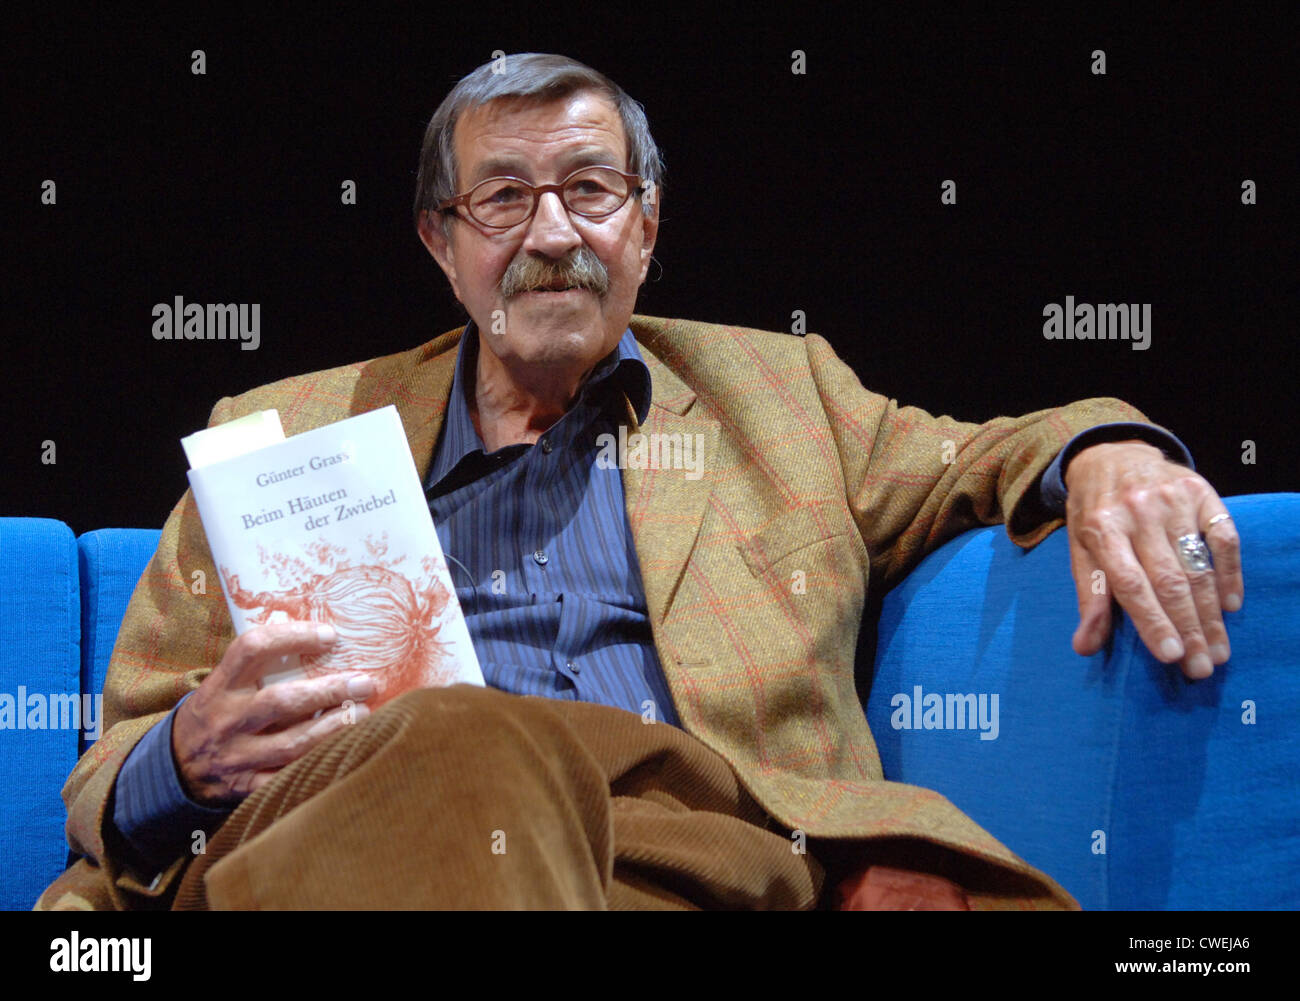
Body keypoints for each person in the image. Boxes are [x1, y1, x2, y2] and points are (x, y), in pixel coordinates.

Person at [37, 53, 1242, 911]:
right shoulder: (281, 434)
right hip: (334, 846)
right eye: (502, 197)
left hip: (684, 853)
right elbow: (117, 757)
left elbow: (976, 456)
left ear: (646, 226)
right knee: (457, 745)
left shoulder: (782, 394)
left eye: (590, 189)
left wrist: (1108, 450)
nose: (551, 232)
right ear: (441, 245)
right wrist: (186, 754)